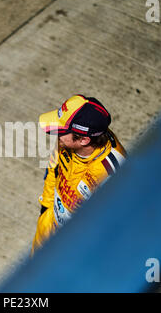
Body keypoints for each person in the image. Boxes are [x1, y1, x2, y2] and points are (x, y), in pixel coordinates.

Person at [31, 94, 127, 255]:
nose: (56, 133)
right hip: (48, 229)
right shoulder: (66, 141)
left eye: (61, 131)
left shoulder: (112, 172)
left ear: (83, 140)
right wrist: (45, 208)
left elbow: (116, 223)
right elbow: (53, 169)